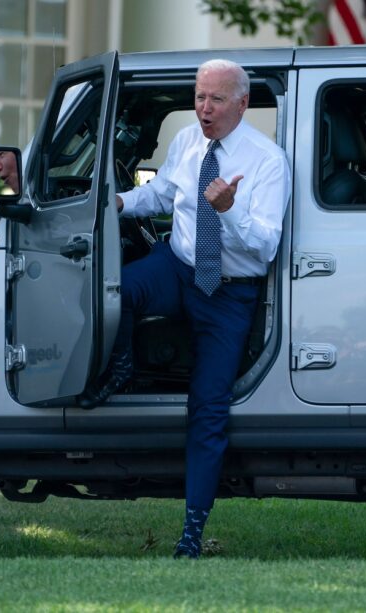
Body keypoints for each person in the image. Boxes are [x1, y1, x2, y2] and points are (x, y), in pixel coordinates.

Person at [77, 59, 291, 559]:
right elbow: (163, 193)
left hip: (229, 292)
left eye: (216, 99)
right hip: (179, 265)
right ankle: (121, 367)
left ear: (242, 104)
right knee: (114, 291)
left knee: (208, 409)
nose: (204, 108)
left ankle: (192, 532)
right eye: (199, 97)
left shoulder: (268, 162)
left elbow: (264, 248)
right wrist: (119, 205)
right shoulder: (189, 142)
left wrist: (228, 210)